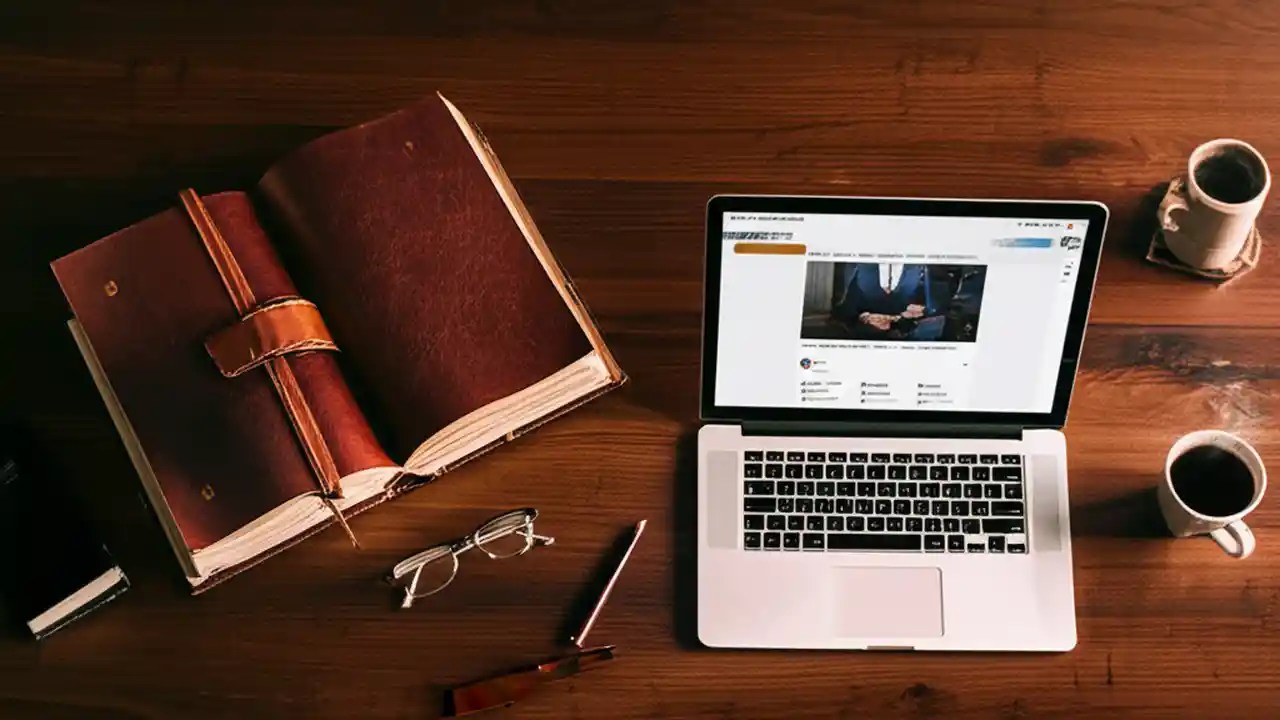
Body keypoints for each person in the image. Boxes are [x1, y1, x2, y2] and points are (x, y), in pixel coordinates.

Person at [832, 263, 943, 340]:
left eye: (877, 323)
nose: (883, 322)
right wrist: (922, 310)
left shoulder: (862, 292)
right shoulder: (910, 299)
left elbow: (843, 312)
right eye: (885, 323)